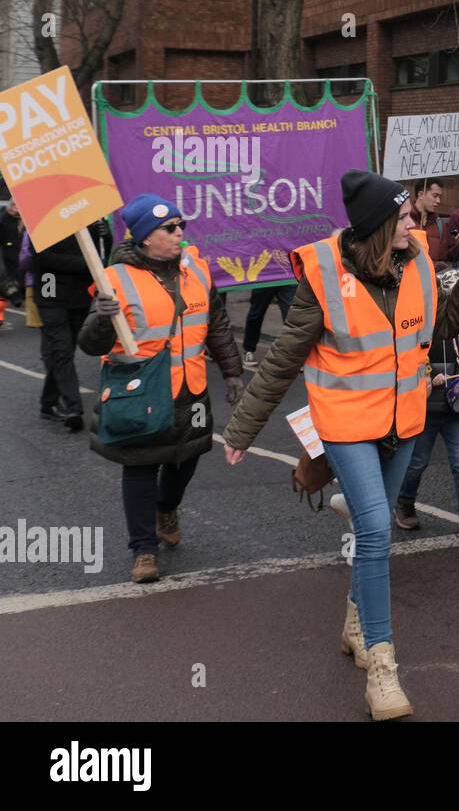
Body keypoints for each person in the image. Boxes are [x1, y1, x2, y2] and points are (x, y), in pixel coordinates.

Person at [223, 170, 459, 720]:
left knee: (376, 528)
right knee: (373, 528)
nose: (417, 223)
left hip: (402, 422)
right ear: (381, 226)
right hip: (344, 426)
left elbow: (436, 333)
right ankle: (383, 669)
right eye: (407, 217)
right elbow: (283, 358)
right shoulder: (322, 276)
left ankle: (356, 623)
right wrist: (243, 428)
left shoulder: (419, 266)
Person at [78, 194, 243, 584]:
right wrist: (102, 320)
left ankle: (167, 507)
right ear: (145, 238)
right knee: (140, 465)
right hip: (140, 392)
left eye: (181, 225)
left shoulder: (197, 270)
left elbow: (216, 321)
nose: (179, 233)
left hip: (191, 388)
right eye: (169, 228)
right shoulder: (114, 278)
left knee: (186, 458)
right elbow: (89, 345)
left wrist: (232, 371)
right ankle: (144, 550)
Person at [393, 267, 459, 541]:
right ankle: (404, 502)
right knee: (417, 462)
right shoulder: (426, 324)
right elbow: (411, 358)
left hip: (457, 405)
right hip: (428, 407)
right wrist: (426, 375)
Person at [32, 217, 112, 430]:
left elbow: (102, 258)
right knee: (62, 350)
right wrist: (86, 264)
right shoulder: (42, 222)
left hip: (80, 297)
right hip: (51, 298)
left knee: (63, 352)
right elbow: (44, 258)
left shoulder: (88, 222)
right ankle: (73, 408)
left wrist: (106, 235)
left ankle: (47, 403)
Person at [241, 284, 295, 367]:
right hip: (264, 277)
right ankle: (248, 350)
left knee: (291, 315)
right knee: (256, 315)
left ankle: (294, 355)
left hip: (287, 276)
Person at [414, 179, 452, 263]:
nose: (438, 201)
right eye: (435, 196)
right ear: (420, 194)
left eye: (439, 197)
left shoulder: (439, 224)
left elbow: (443, 259)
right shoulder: (404, 220)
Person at [0, 201, 24, 307]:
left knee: (20, 275)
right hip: (8, 252)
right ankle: (15, 297)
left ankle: (19, 295)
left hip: (21, 252)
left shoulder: (23, 219)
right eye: (14, 205)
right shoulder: (3, 219)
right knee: (10, 276)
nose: (16, 208)